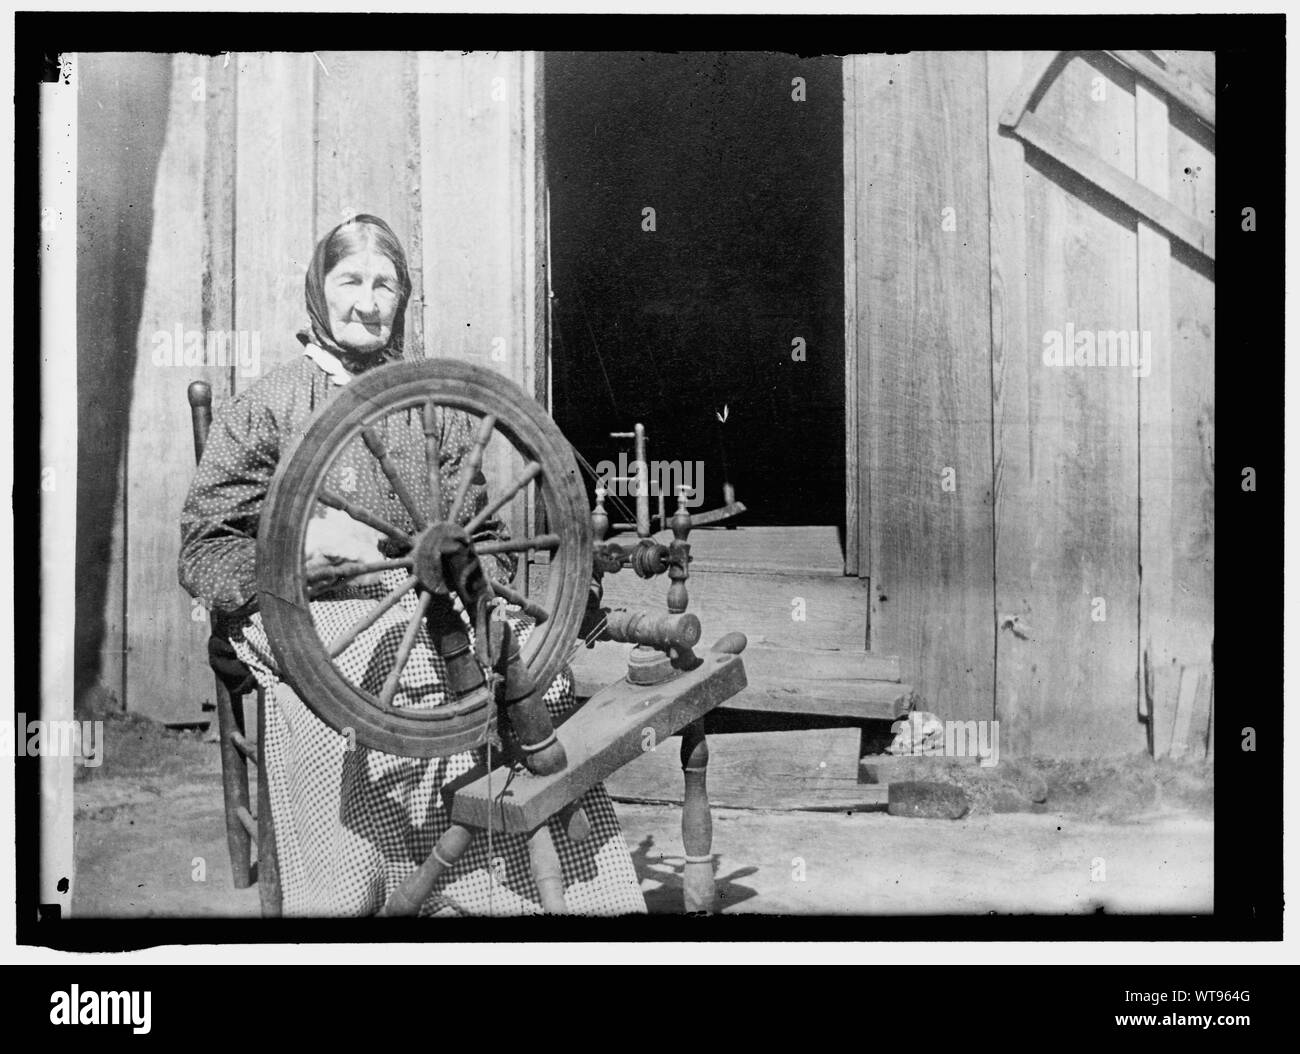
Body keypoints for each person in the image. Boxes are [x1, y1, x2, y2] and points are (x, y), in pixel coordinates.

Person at [179, 214, 647, 916]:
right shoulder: (270, 406)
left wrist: (496, 598)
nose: (368, 302)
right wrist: (302, 552)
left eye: (385, 285)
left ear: (403, 298)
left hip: (428, 603)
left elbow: (476, 532)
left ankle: (515, 898)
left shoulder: (440, 400)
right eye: (351, 281)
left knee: (528, 677)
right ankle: (357, 904)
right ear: (319, 288)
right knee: (355, 691)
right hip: (306, 610)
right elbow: (203, 546)